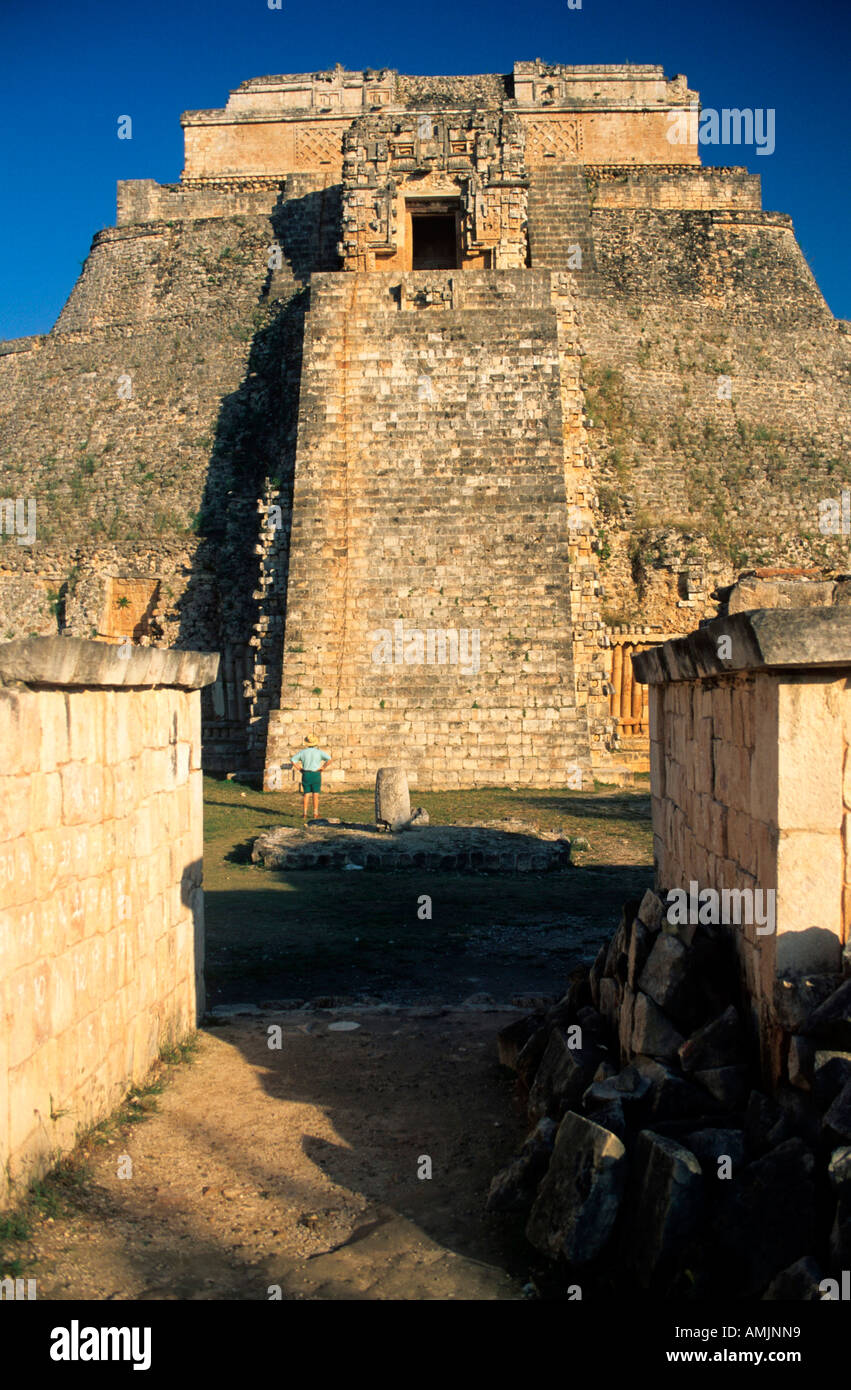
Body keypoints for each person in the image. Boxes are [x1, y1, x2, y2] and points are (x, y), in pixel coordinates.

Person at [290, 735, 332, 822]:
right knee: (315, 794)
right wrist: (323, 767)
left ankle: (304, 813)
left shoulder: (303, 752)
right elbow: (329, 759)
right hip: (316, 773)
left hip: (306, 773)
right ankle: (315, 813)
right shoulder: (319, 752)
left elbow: (293, 760)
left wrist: (300, 769)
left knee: (306, 794)